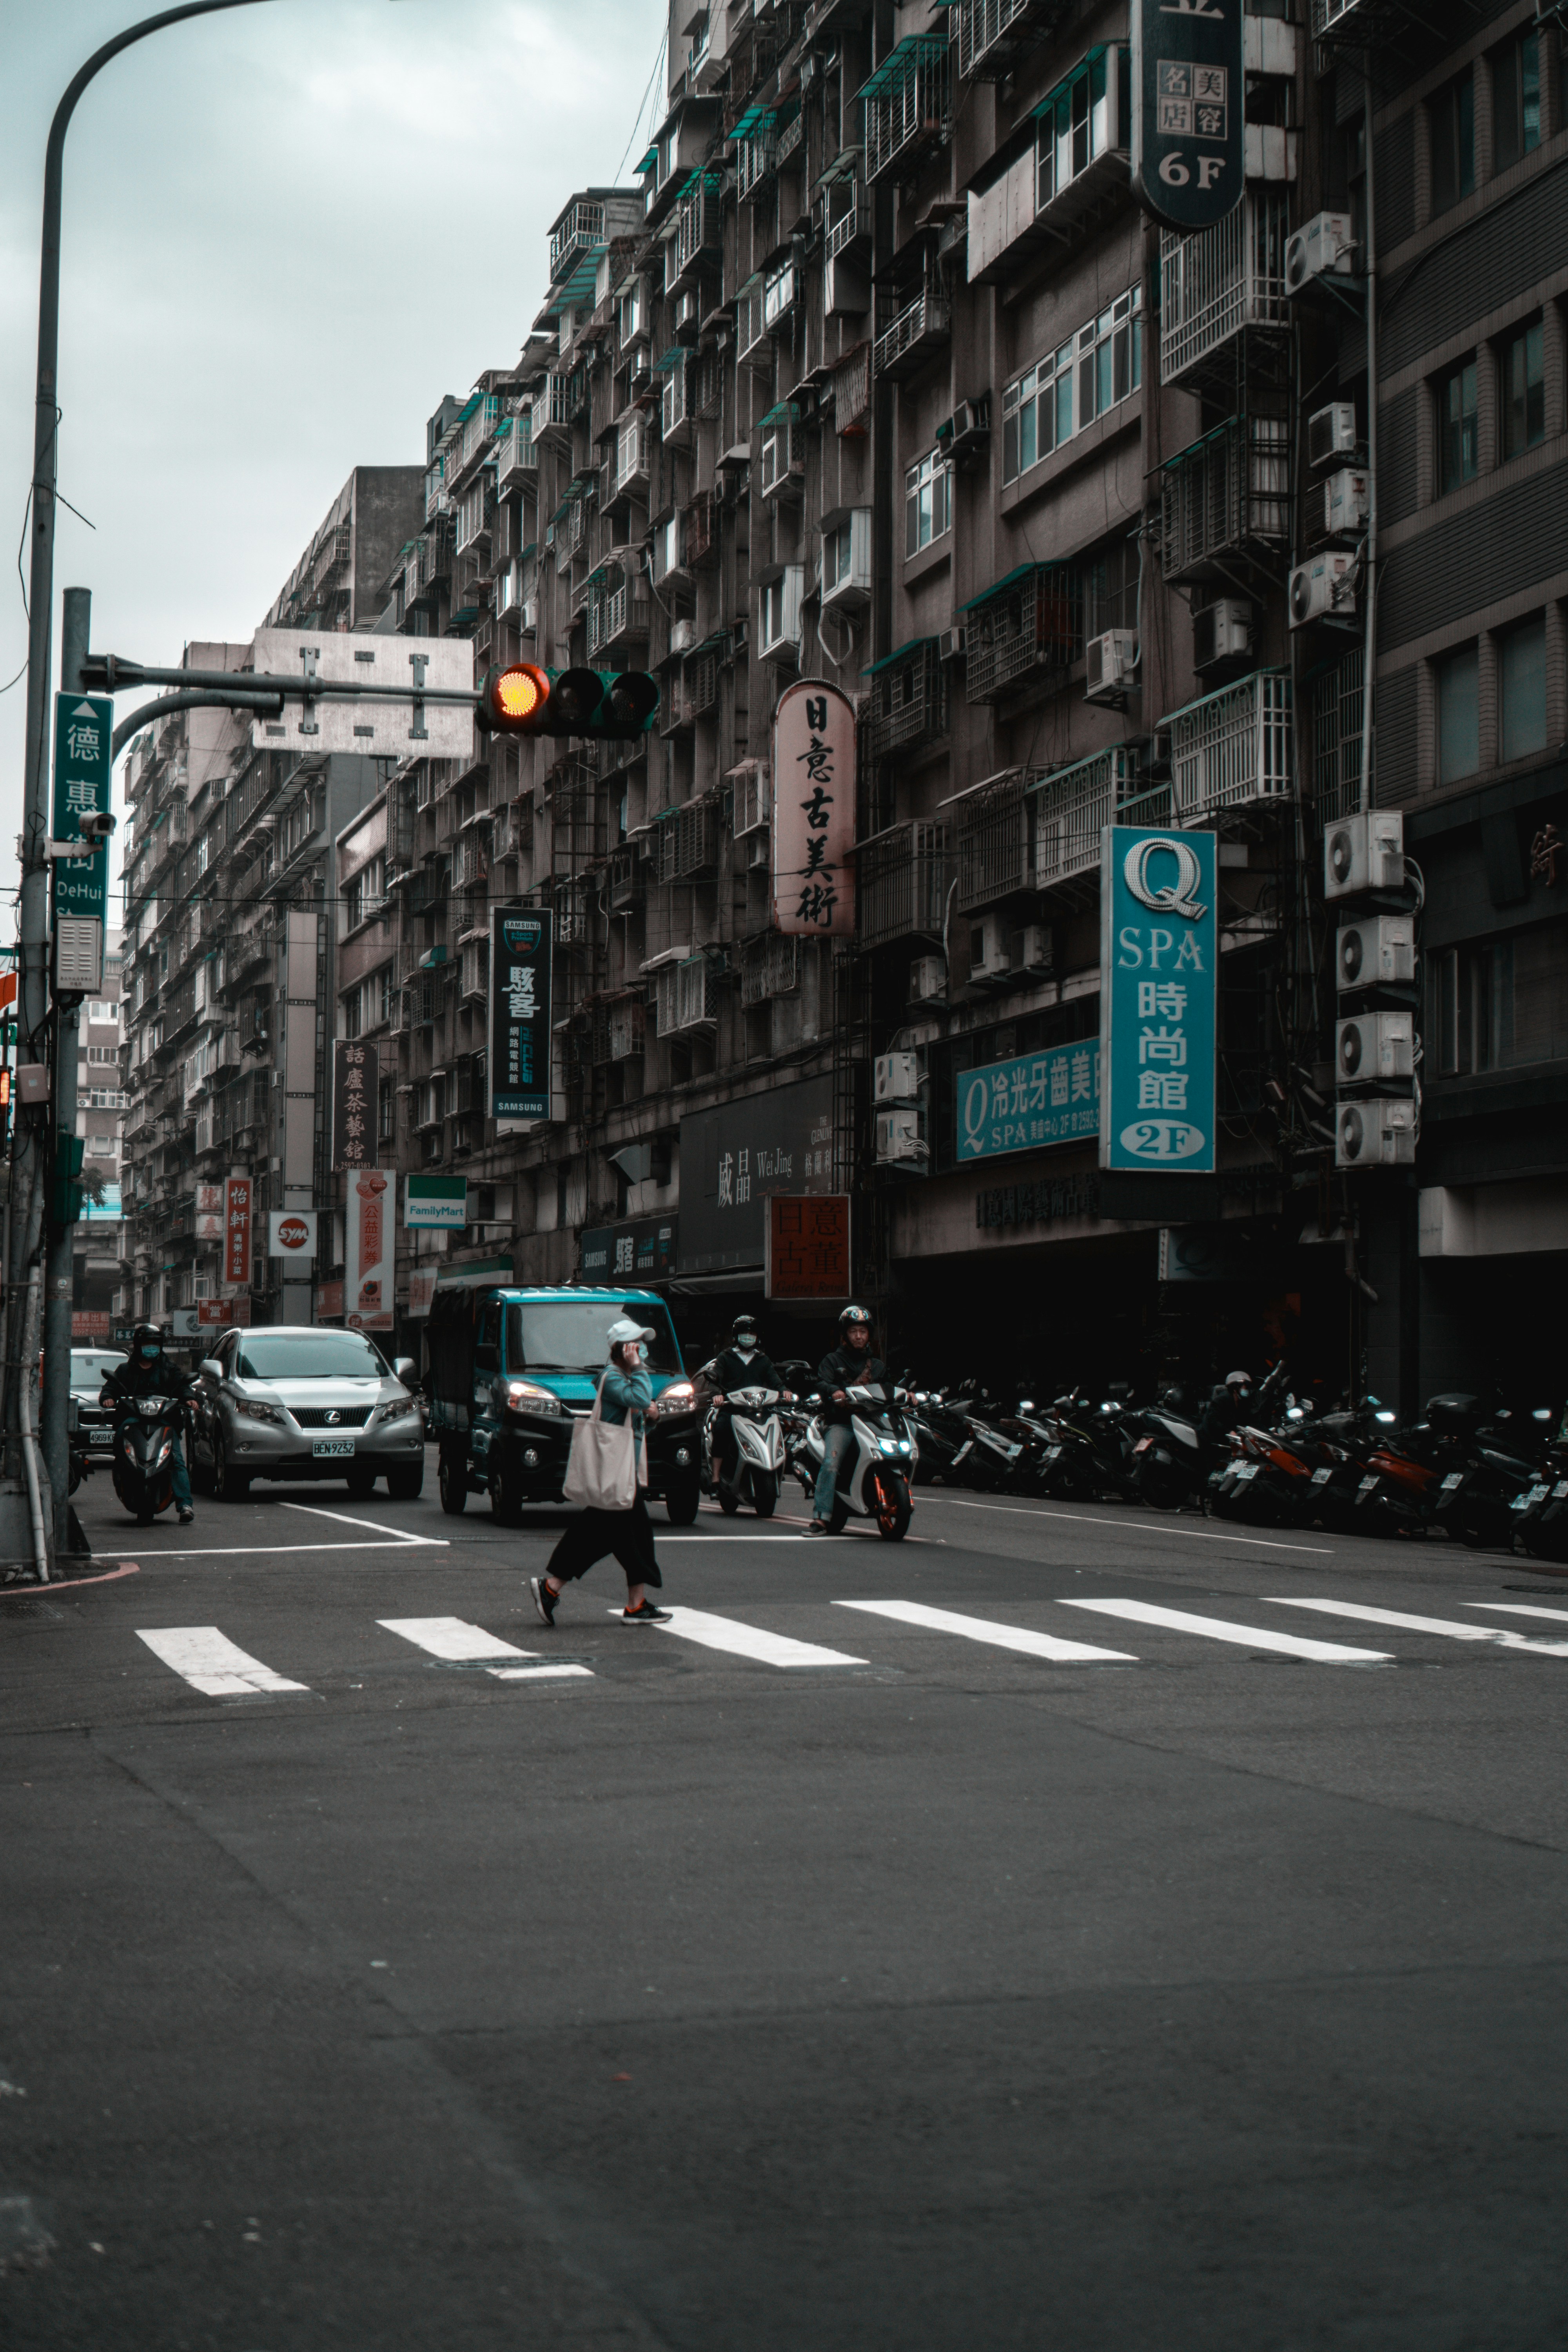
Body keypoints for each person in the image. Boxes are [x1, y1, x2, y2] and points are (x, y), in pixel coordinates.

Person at [530, 1318, 671, 1625]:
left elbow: (636, 1415)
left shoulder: (623, 1377)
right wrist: (640, 1373)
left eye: (642, 1344)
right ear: (621, 1349)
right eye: (636, 1344)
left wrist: (651, 1415)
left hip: (622, 1472)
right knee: (602, 1535)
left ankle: (633, 1604)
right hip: (615, 1473)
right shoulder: (614, 1377)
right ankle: (552, 1588)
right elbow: (639, 1399)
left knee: (627, 1537)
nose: (642, 1350)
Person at [102, 1322, 197, 1524]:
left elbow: (182, 1387)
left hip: (164, 1420)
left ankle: (185, 1505)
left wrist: (189, 1398)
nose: (151, 1348)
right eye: (147, 1344)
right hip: (133, 1419)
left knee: (177, 1459)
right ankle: (123, 1469)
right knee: (120, 1435)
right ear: (139, 1345)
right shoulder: (126, 1369)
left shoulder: (169, 1369)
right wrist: (108, 1397)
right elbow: (111, 1387)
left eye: (155, 1344)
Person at [805, 1304, 886, 1535]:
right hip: (843, 1424)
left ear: (869, 1334)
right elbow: (821, 1382)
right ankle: (820, 1517)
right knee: (831, 1464)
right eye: (854, 1332)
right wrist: (834, 1391)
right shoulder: (832, 1361)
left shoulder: (878, 1366)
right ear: (845, 1335)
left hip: (873, 1424)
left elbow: (890, 1388)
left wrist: (907, 1395)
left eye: (863, 1331)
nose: (859, 1336)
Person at [705, 1314, 793, 1499]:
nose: (748, 1337)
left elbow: (776, 1382)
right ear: (736, 1336)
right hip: (733, 1409)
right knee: (721, 1430)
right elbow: (715, 1380)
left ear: (758, 1336)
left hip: (760, 1410)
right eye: (744, 1333)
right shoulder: (726, 1357)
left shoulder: (763, 1360)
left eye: (752, 1333)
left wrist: (785, 1392)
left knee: (779, 1429)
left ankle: (775, 1467)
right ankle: (715, 1479)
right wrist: (717, 1396)